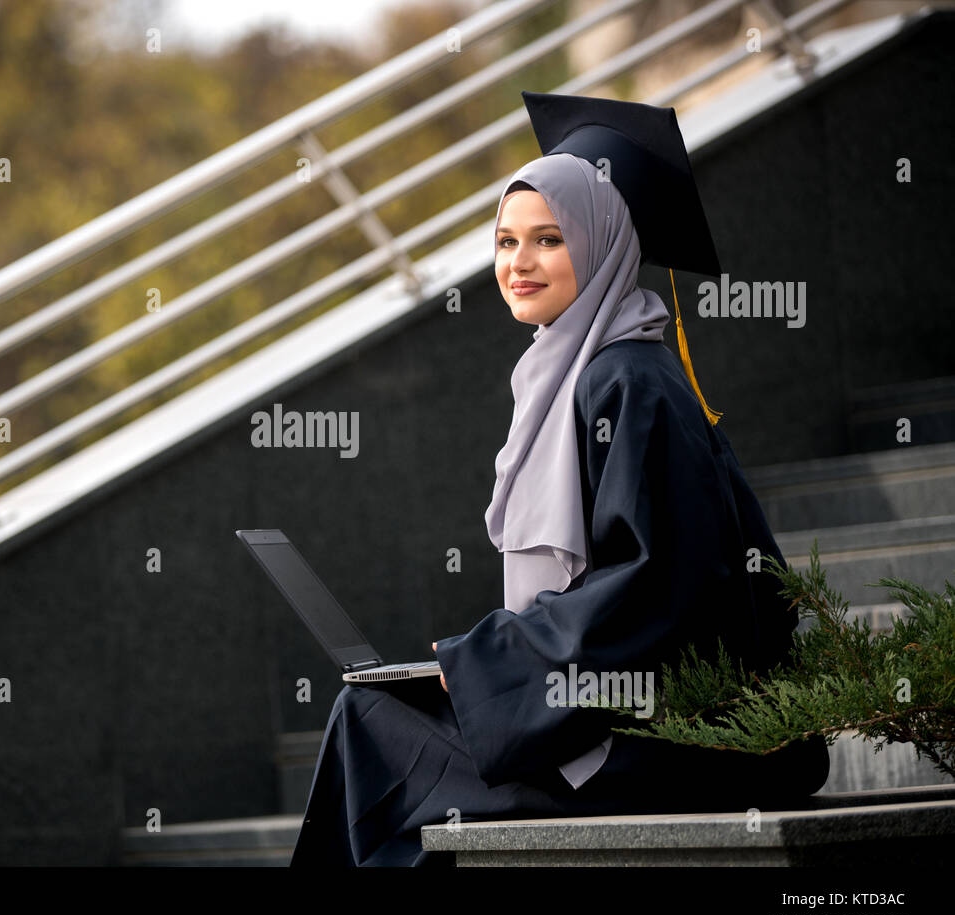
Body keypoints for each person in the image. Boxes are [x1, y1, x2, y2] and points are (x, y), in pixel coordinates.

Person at [288, 92, 829, 868]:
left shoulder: (628, 383)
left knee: (367, 722)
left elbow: (654, 596)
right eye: (506, 240)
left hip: (671, 739)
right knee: (375, 715)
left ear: (605, 243)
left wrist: (485, 662)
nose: (519, 262)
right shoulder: (576, 373)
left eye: (549, 239)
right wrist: (484, 668)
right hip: (617, 716)